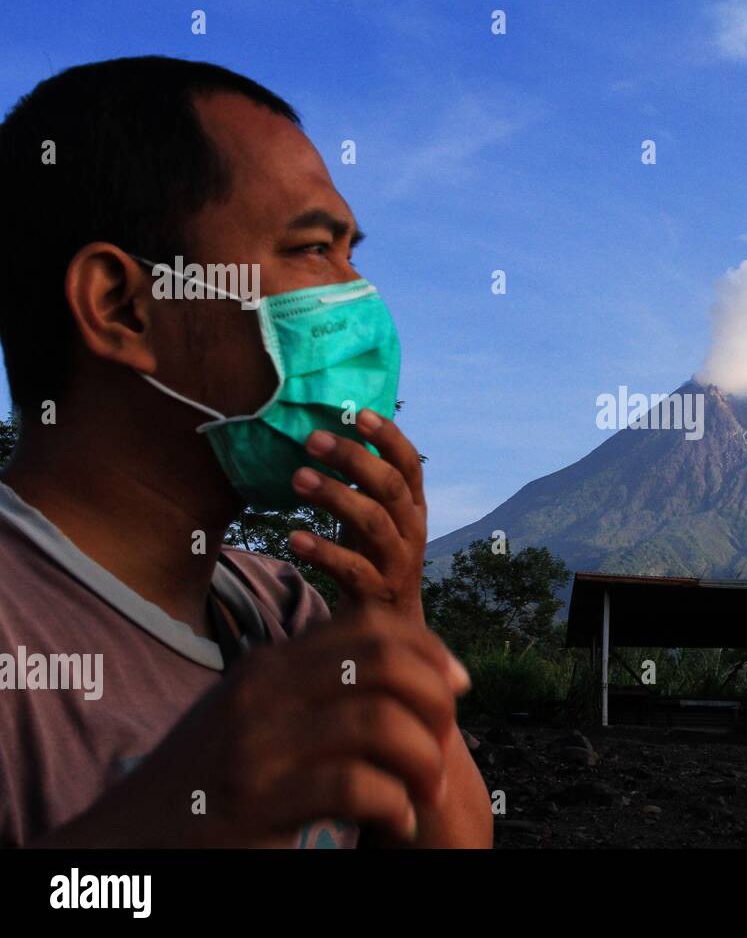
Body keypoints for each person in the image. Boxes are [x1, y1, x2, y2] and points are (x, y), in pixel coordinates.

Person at [0, 56, 492, 847]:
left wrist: (396, 620)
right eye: (311, 250)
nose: (359, 299)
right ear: (122, 306)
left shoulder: (281, 610)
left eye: (351, 255)